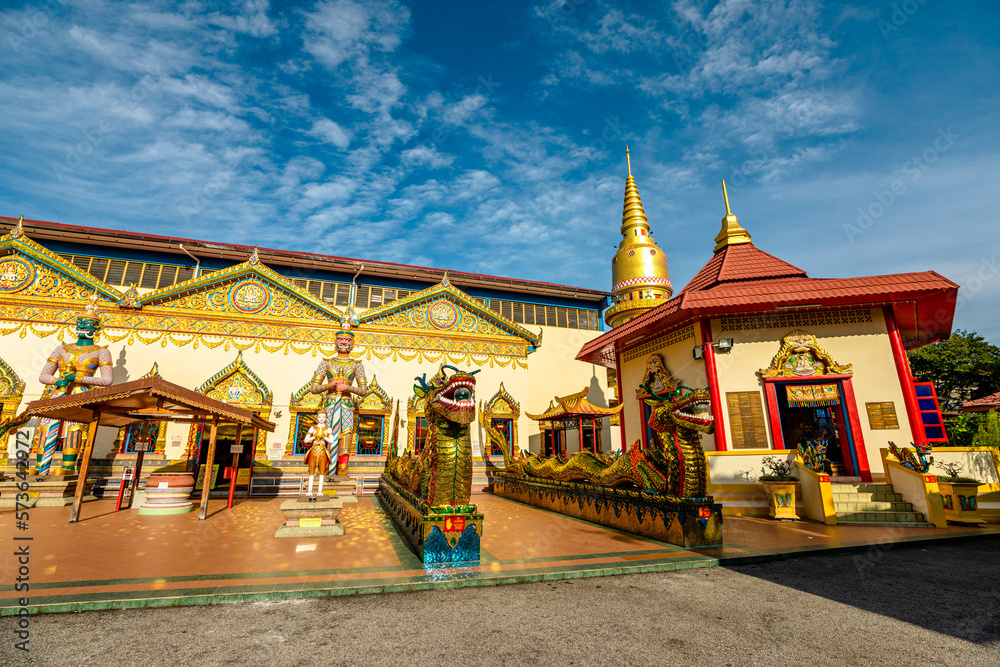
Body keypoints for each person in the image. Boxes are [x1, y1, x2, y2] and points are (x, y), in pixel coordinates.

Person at [36, 295, 114, 475]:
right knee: (45, 427)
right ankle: (39, 465)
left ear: (97, 328)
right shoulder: (61, 349)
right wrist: (57, 381)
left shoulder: (101, 352)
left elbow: (107, 380)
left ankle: (68, 466)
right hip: (58, 392)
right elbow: (43, 375)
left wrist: (77, 379)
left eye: (88, 324)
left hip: (81, 394)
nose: (83, 327)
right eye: (80, 323)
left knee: (74, 427)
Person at [309, 324, 367, 473]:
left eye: (348, 340)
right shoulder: (326, 363)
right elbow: (313, 388)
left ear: (353, 343)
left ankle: (342, 468)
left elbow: (363, 391)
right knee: (326, 434)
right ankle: (324, 466)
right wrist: (331, 385)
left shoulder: (357, 365)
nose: (344, 342)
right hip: (329, 404)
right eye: (340, 339)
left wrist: (348, 387)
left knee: (346, 434)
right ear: (334, 341)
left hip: (346, 405)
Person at [303, 411, 336, 498]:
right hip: (314, 450)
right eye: (320, 417)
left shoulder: (328, 429)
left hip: (322, 450)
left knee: (322, 471)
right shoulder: (313, 428)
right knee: (311, 471)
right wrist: (314, 436)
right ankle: (309, 491)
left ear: (326, 419)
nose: (321, 419)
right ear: (317, 418)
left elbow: (331, 440)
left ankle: (320, 491)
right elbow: (306, 440)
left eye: (323, 417)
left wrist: (323, 437)